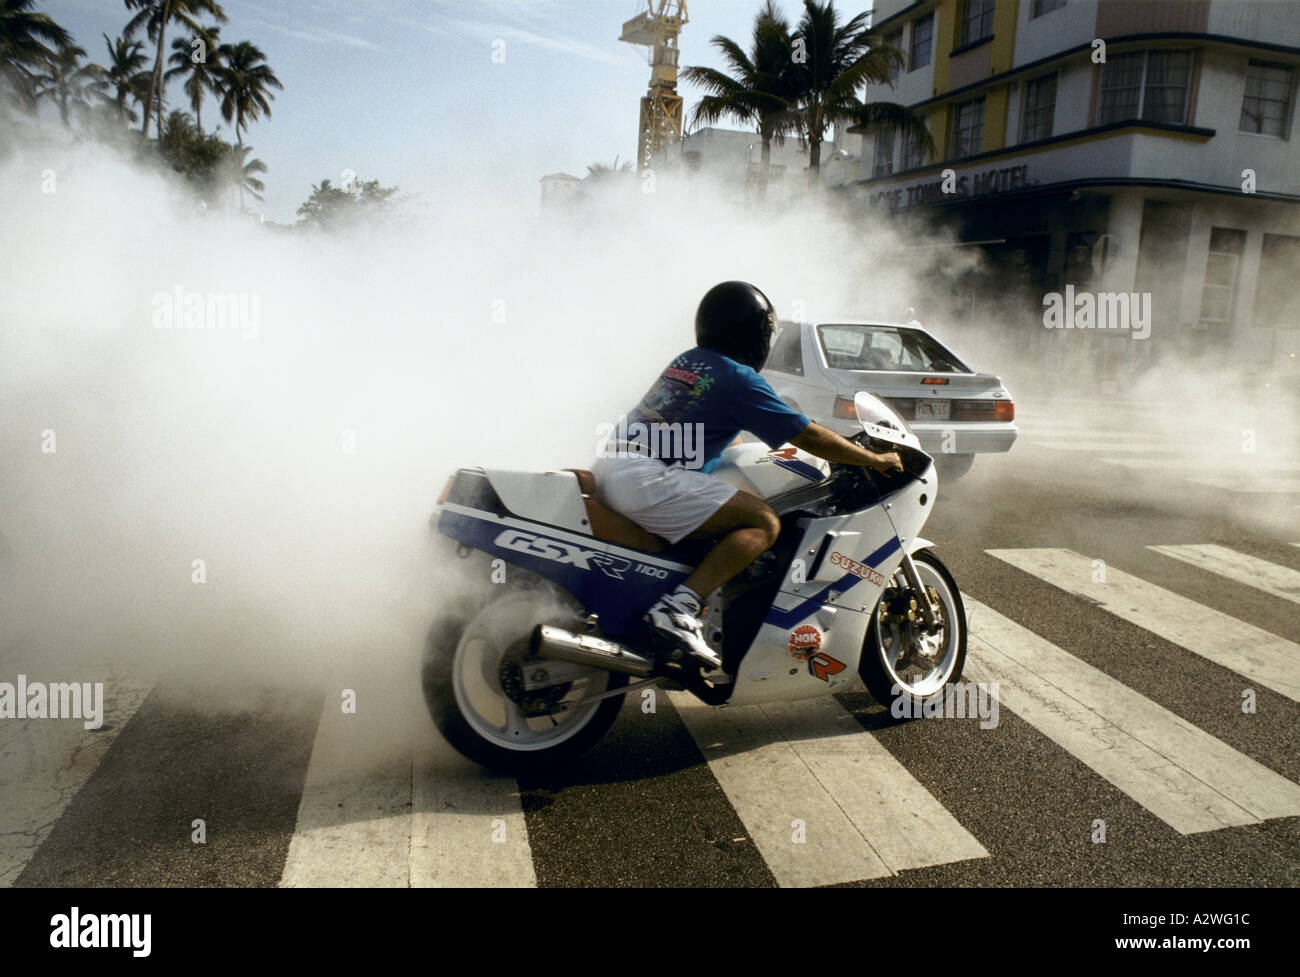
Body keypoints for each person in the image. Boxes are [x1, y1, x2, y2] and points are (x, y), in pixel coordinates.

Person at [592, 281, 903, 668]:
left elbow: (718, 428)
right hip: (645, 477)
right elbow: (808, 435)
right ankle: (678, 609)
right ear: (754, 333)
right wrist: (873, 459)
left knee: (722, 513)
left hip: (613, 466)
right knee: (762, 521)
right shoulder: (740, 378)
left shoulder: (688, 361)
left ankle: (693, 606)